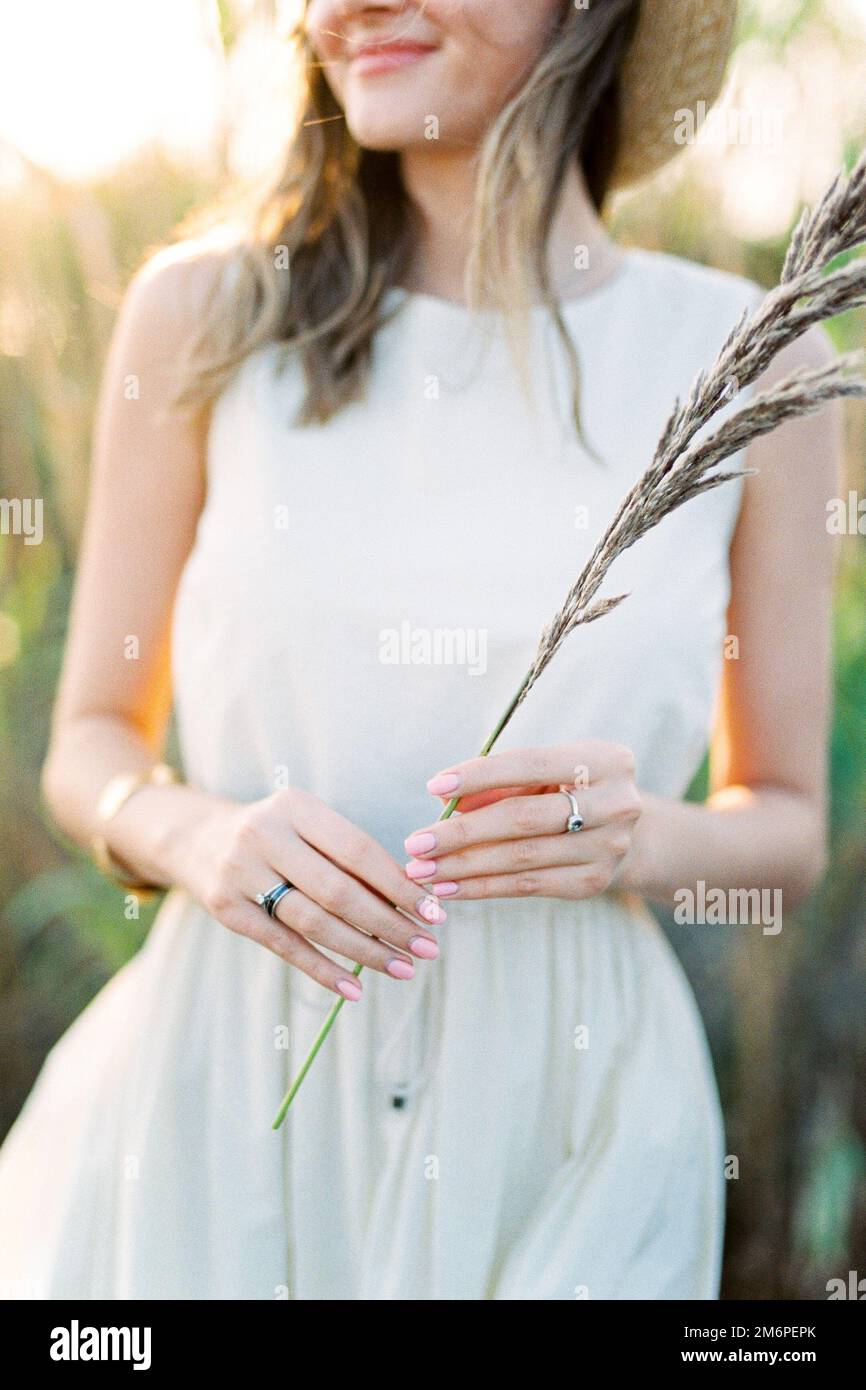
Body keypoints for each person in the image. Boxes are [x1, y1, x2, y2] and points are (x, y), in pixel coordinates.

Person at [0, 0, 840, 1299]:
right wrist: (201, 838)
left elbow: (783, 827)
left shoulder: (748, 356)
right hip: (228, 1079)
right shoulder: (206, 314)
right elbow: (90, 747)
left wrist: (638, 839)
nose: (346, 9)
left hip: (572, 1109)